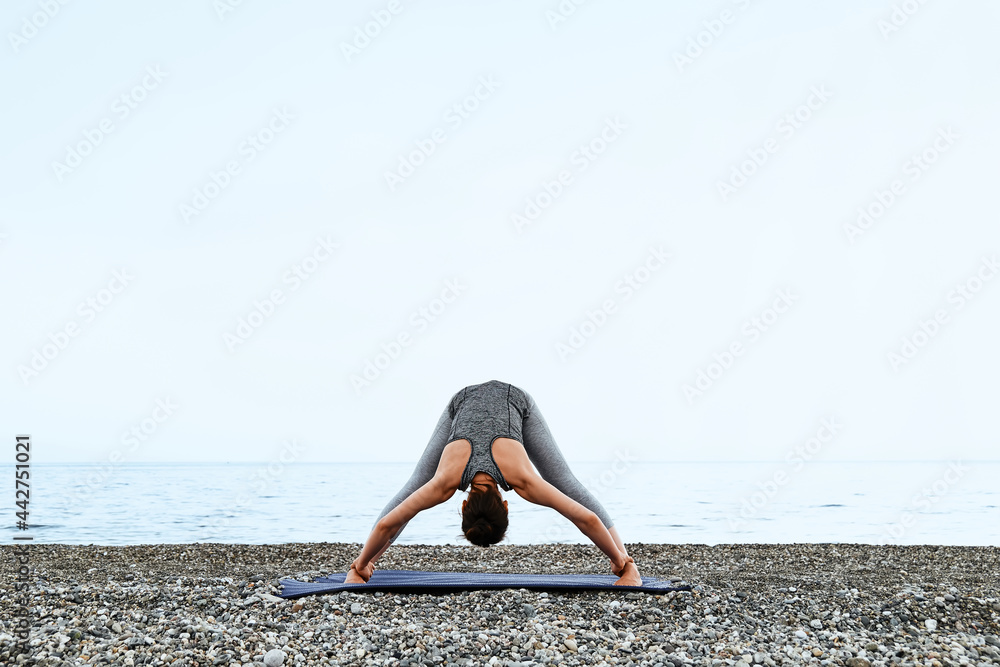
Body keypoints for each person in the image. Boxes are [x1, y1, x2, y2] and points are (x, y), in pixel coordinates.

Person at [345, 380, 641, 586]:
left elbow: (389, 523)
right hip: (466, 401)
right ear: (465, 505)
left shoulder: (451, 481)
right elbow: (584, 517)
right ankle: (630, 565)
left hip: (507, 401)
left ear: (505, 506)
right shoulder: (462, 481)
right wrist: (618, 562)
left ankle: (630, 565)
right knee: (563, 482)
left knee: (560, 480)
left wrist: (361, 565)